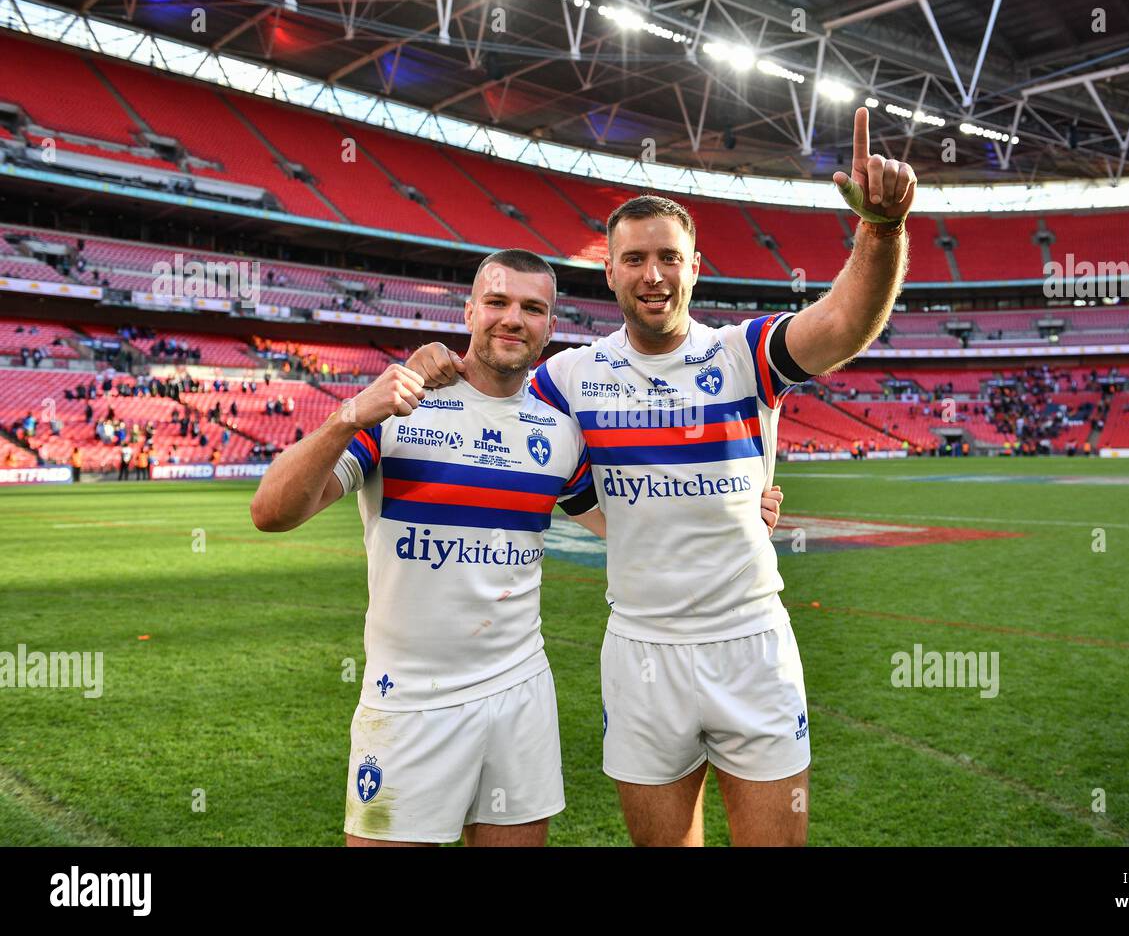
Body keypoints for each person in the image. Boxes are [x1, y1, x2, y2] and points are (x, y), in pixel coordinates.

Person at [407, 106, 912, 846]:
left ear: (694, 268)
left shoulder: (746, 353)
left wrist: (882, 229)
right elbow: (501, 408)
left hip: (752, 648)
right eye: (636, 258)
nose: (653, 274)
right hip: (641, 655)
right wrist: (434, 366)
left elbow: (843, 322)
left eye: (669, 257)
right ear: (609, 270)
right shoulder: (570, 379)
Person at [252, 250, 782, 847]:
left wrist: (734, 512)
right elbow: (271, 512)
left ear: (549, 328)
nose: (513, 319)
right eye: (498, 303)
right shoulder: (398, 410)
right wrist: (349, 415)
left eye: (532, 308)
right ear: (470, 311)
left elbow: (628, 525)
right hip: (407, 703)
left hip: (520, 695)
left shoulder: (558, 432)